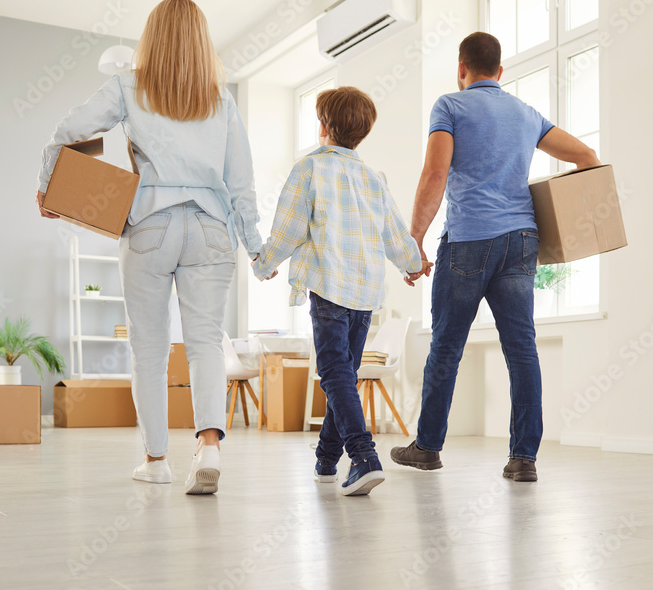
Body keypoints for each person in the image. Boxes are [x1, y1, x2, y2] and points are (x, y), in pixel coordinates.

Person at [37, 0, 261, 495]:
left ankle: (156, 460)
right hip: (211, 228)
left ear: (151, 38)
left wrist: (49, 184)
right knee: (206, 342)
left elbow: (69, 129)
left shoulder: (128, 86)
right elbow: (241, 185)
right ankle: (209, 446)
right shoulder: (221, 101)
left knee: (149, 349)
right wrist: (257, 247)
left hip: (149, 226)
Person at [391, 32, 600, 482]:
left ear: (462, 70)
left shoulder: (450, 105)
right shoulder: (526, 114)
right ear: (500, 72)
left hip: (469, 240)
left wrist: (414, 241)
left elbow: (435, 173)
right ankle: (524, 459)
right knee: (522, 349)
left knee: (446, 348)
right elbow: (586, 156)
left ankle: (427, 448)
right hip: (522, 241)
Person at [252, 86, 428, 496]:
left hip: (329, 286)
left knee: (333, 372)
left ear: (324, 126)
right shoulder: (373, 177)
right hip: (366, 292)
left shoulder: (308, 169)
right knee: (343, 373)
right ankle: (326, 459)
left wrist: (264, 263)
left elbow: (289, 229)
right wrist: (413, 264)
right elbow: (395, 231)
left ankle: (364, 456)